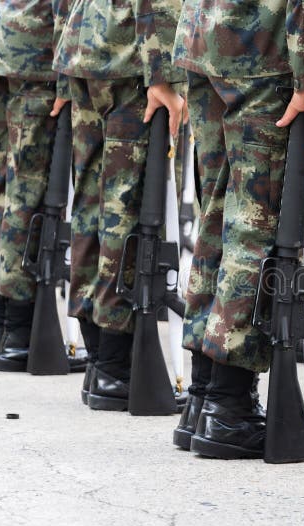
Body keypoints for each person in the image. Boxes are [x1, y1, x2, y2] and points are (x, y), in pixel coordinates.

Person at [170, 0, 304, 457]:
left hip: (205, 31)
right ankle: (229, 405)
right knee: (255, 224)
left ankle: (204, 394)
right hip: (264, 41)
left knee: (219, 215)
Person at [52, 0, 186, 410]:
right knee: (124, 207)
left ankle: (102, 362)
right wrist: (161, 70)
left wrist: (62, 68)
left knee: (93, 204)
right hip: (129, 48)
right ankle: (115, 364)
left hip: (84, 43)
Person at [0, 0, 85, 371]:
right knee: (26, 190)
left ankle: (0, 328)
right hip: (33, 53)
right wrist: (67, 76)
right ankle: (17, 331)